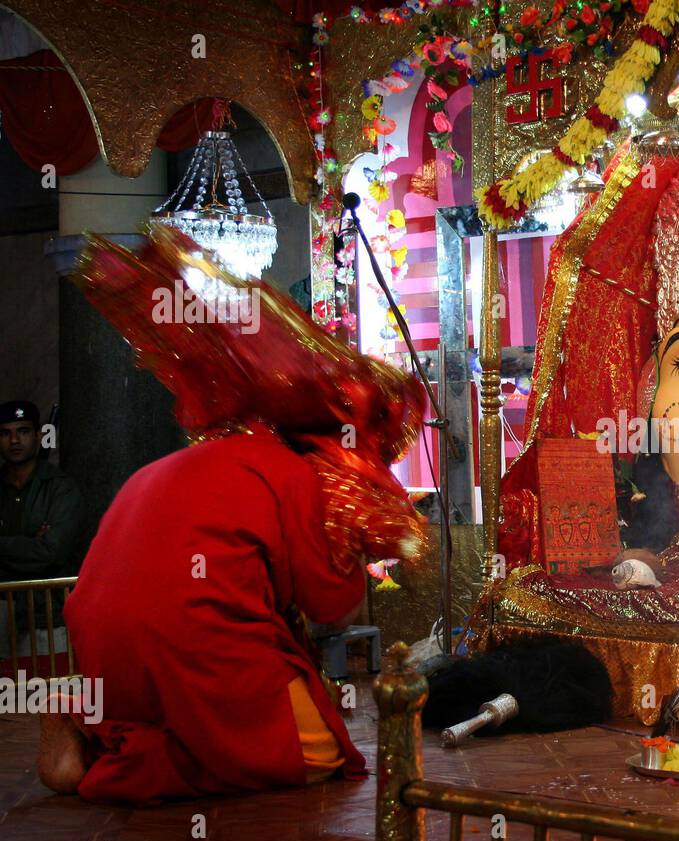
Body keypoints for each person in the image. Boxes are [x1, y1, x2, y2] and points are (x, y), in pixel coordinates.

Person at [37, 225, 427, 803]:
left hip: (97, 642)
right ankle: (97, 766)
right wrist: (353, 548)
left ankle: (91, 723)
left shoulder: (194, 460)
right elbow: (329, 606)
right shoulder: (293, 473)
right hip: (190, 637)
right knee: (315, 753)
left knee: (202, 720)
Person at [0, 400, 83, 582]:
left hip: (43, 605)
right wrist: (31, 545)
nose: (14, 440)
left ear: (38, 436)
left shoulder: (60, 487)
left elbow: (51, 554)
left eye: (23, 431)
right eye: (6, 433)